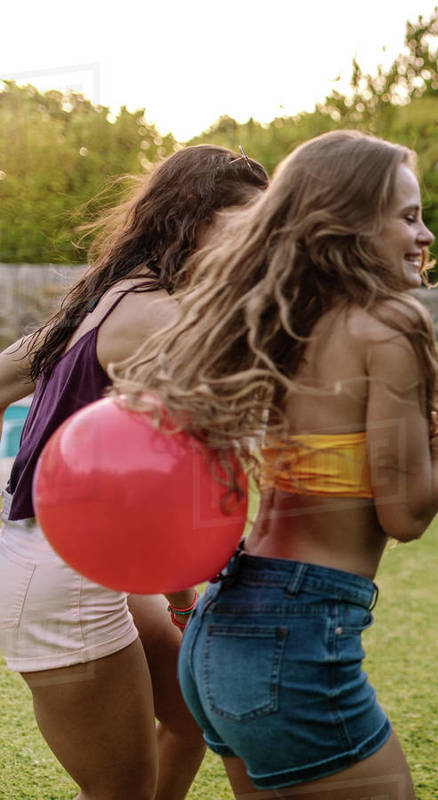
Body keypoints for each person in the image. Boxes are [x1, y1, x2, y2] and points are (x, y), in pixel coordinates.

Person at [113, 130, 438, 800]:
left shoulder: (278, 318)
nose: (426, 236)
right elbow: (407, 513)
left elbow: (369, 464)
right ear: (351, 222)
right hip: (297, 638)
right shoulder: (391, 325)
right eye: (408, 216)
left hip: (221, 629)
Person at [0, 145, 268, 800]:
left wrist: (179, 596)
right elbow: (268, 404)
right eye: (248, 227)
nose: (259, 246)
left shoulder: (111, 295)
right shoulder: (154, 313)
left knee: (188, 718)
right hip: (56, 575)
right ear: (193, 219)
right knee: (122, 789)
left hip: (88, 557)